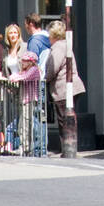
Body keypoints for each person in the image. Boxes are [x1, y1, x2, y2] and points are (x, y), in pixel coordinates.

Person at [43, 20, 85, 150]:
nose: (48, 37)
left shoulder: (58, 48)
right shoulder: (65, 46)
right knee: (66, 118)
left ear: (53, 34)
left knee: (64, 120)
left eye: (49, 34)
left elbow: (53, 68)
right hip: (69, 87)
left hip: (64, 88)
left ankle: (67, 148)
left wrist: (45, 78)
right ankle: (68, 147)